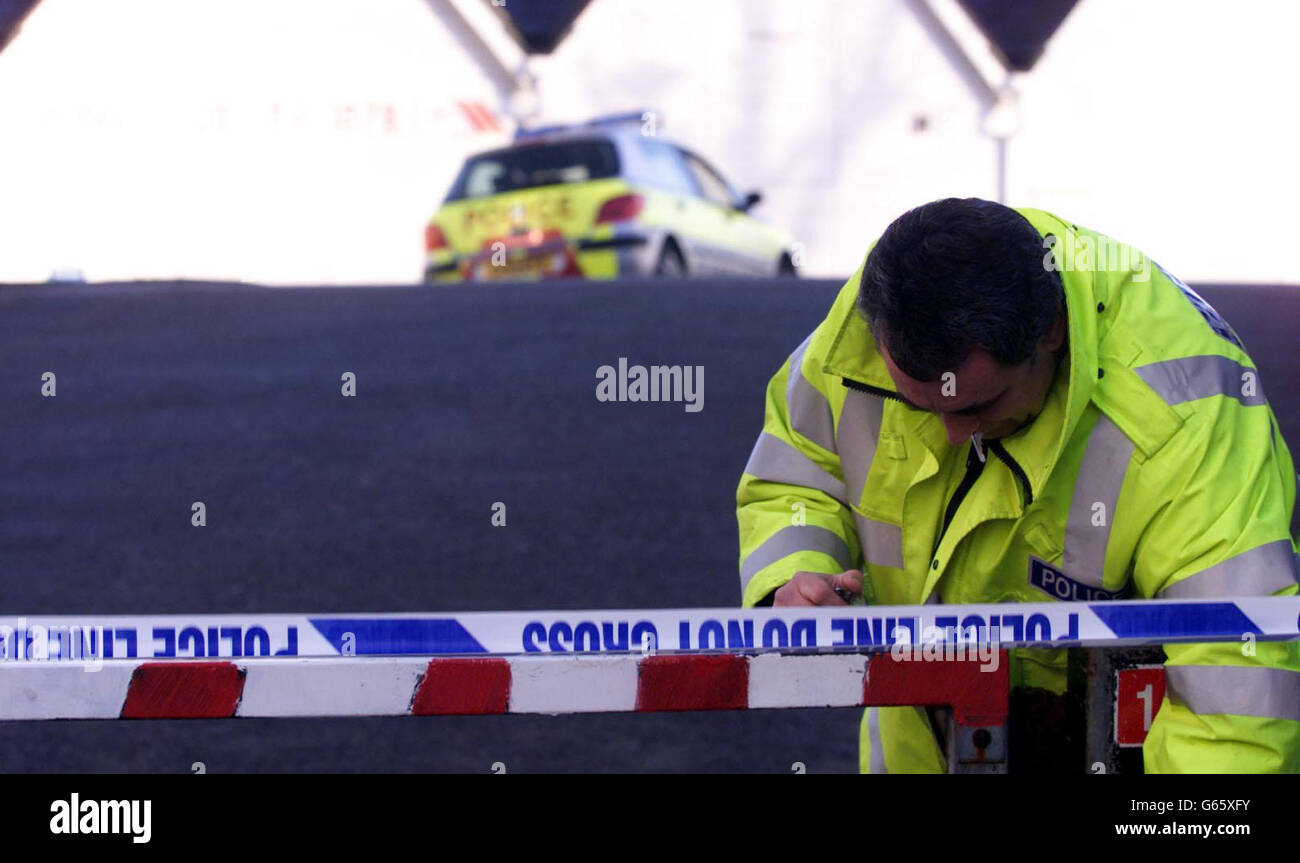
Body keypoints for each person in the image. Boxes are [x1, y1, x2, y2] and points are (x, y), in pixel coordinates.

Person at [735, 197, 1300, 773]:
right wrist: (793, 576)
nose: (954, 434)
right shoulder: (876, 317)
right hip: (921, 749)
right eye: (919, 406)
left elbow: (1238, 696)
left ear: (1050, 332)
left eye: (980, 404)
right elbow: (798, 463)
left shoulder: (1189, 416)